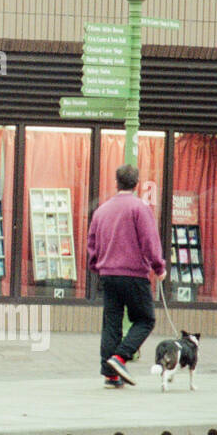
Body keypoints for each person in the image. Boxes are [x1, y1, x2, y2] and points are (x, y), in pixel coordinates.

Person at [88, 163, 166, 388]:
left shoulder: (101, 210)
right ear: (136, 184)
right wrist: (159, 268)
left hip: (108, 274)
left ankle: (109, 375)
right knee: (145, 319)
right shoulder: (140, 208)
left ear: (116, 183)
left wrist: (97, 266)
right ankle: (120, 358)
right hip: (134, 275)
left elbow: (92, 242)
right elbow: (150, 241)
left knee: (111, 323)